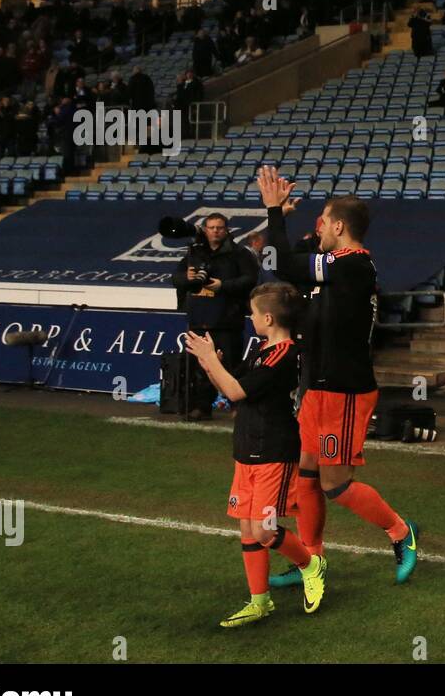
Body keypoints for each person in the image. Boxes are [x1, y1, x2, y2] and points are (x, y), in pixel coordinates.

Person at [256, 167, 420, 587]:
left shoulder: (353, 263)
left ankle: (401, 532)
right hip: (320, 387)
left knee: (335, 484)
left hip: (345, 390)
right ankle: (311, 561)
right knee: (306, 472)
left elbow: (284, 263)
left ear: (339, 226)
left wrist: (274, 211)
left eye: (325, 222)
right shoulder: (338, 267)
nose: (321, 229)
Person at [185, 283, 328, 626]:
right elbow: (237, 389)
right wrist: (212, 366)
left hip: (273, 452)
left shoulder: (284, 354)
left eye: (252, 313)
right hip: (248, 449)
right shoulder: (264, 350)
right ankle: (260, 602)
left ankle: (310, 565)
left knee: (264, 531)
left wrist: (210, 362)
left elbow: (234, 391)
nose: (249, 319)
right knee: (249, 532)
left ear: (267, 317)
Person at [170, 213, 259, 421]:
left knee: (232, 366)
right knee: (199, 368)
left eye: (219, 227)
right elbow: (175, 277)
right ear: (205, 229)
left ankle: (237, 406)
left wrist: (223, 286)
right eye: (211, 227)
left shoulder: (240, 253)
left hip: (227, 320)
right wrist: (187, 278)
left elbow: (250, 280)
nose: (215, 231)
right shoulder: (195, 252)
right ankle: (202, 406)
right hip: (198, 318)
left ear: (227, 230)